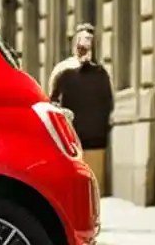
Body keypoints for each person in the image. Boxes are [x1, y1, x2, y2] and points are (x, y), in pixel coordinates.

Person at [47, 23, 113, 194]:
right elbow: (52, 101)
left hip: (90, 140)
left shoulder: (99, 73)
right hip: (74, 140)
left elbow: (107, 102)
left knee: (89, 189)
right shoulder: (65, 71)